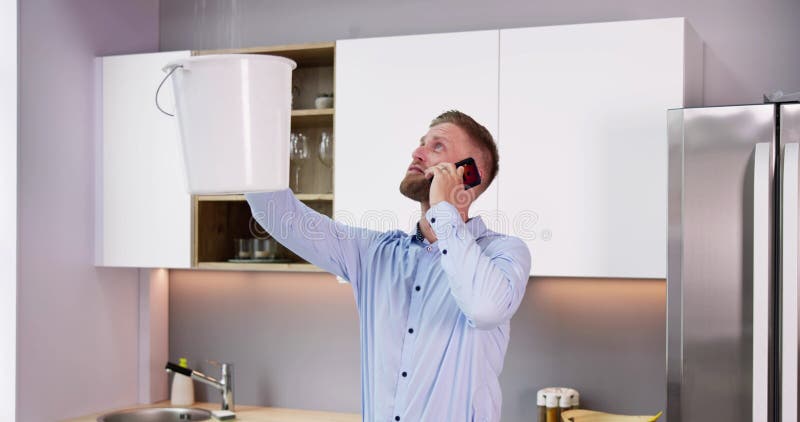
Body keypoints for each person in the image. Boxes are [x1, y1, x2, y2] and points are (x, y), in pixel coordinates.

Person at [246, 110, 531, 422]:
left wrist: (444, 209)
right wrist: (252, 135)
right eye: (422, 142)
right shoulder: (375, 254)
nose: (417, 152)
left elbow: (484, 309)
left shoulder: (502, 253)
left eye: (436, 146)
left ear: (467, 175)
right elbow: (280, 216)